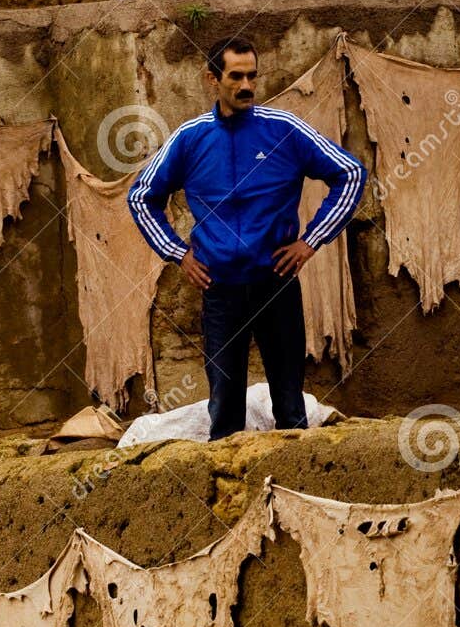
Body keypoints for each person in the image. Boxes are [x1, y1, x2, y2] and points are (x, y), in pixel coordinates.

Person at [127, 32, 364, 437]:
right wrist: (178, 253)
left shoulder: (284, 130)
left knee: (290, 405)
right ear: (212, 79)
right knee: (225, 409)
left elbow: (351, 173)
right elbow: (140, 197)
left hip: (277, 283)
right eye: (236, 77)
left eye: (252, 76)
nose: (247, 86)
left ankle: (296, 489)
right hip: (221, 291)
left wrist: (310, 241)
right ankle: (230, 495)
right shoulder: (190, 138)